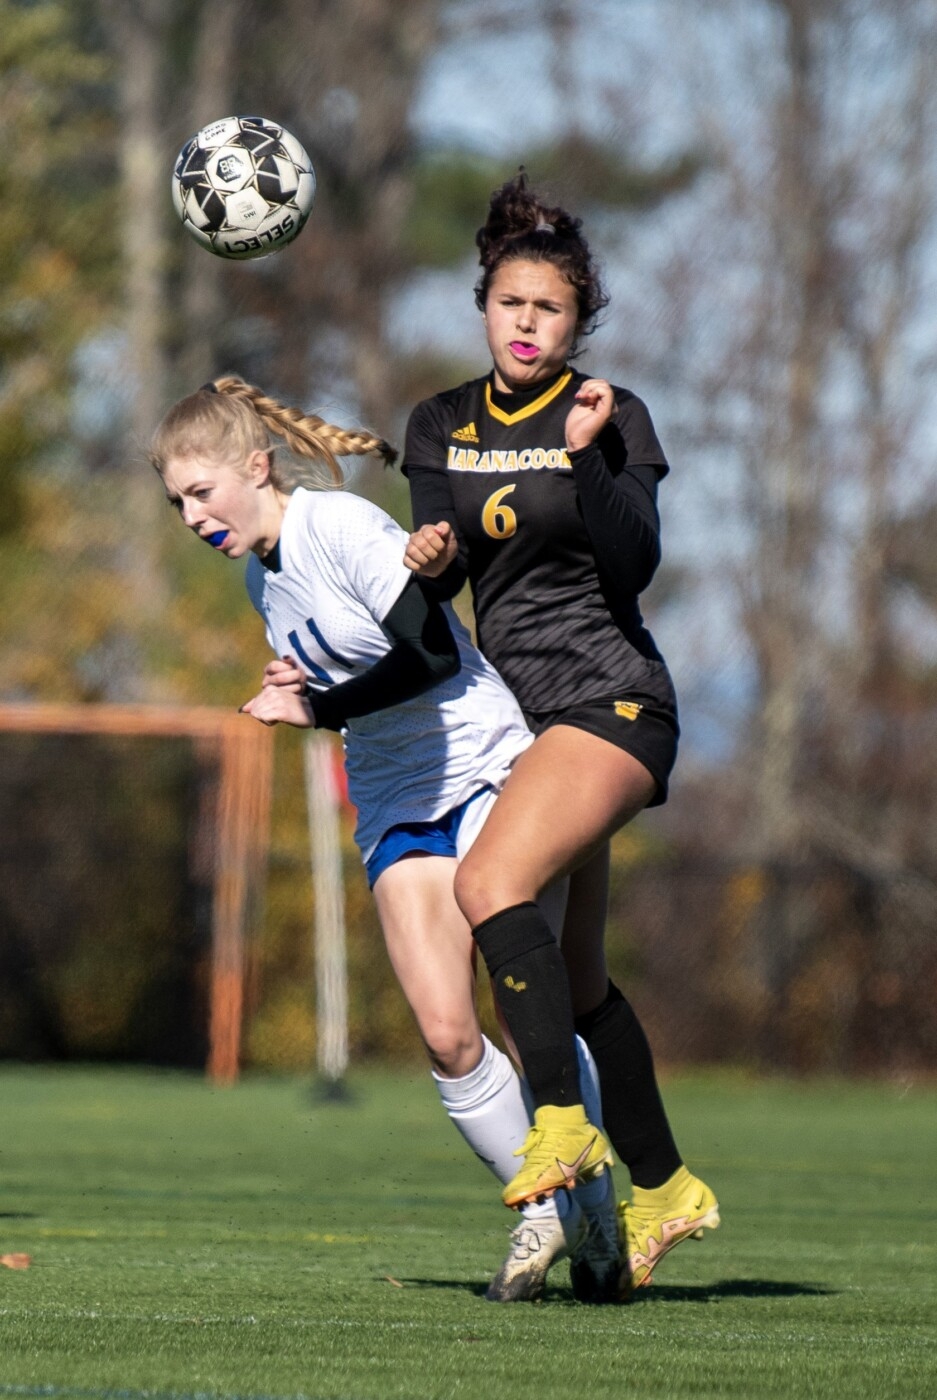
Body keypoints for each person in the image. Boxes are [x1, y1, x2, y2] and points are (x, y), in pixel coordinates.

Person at [148, 375, 621, 1303]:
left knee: (526, 1017)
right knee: (446, 1036)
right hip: (395, 797)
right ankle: (547, 1210)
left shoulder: (340, 526)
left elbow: (432, 654)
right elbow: (348, 678)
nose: (192, 516)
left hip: (482, 764)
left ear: (257, 467)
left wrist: (316, 706)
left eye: (201, 492)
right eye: (177, 503)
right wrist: (308, 688)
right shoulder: (258, 577)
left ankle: (597, 1212)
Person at [403, 172, 720, 1295]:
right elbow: (435, 575)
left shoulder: (610, 411)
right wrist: (428, 560)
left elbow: (635, 562)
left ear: (579, 321)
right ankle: (666, 1186)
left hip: (614, 703)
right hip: (519, 723)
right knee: (574, 982)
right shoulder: (439, 422)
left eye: (550, 307)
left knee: (487, 885)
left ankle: (558, 1125)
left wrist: (585, 455)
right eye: (510, 303)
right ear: (483, 307)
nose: (527, 322)